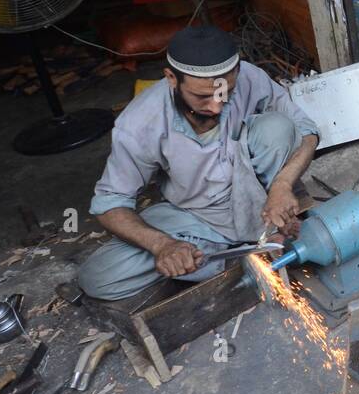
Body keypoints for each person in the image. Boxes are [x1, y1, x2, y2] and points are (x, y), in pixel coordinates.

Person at [77, 26, 319, 300]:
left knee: (278, 128)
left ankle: (264, 235)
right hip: (195, 216)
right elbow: (109, 203)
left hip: (257, 202)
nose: (216, 107)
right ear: (171, 78)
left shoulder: (250, 77)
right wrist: (163, 245)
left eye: (226, 92)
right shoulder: (139, 123)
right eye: (202, 96)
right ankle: (235, 254)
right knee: (97, 277)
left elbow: (307, 131)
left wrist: (282, 185)